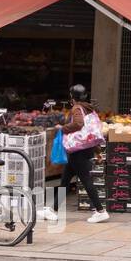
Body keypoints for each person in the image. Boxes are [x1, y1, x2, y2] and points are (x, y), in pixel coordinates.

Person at [39, 84, 108, 224]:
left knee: (86, 179)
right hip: (83, 148)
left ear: (72, 96)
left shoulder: (77, 108)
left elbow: (79, 124)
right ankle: (53, 210)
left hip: (78, 150)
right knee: (65, 179)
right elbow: (90, 132)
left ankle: (101, 211)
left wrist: (62, 128)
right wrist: (97, 150)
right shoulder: (89, 108)